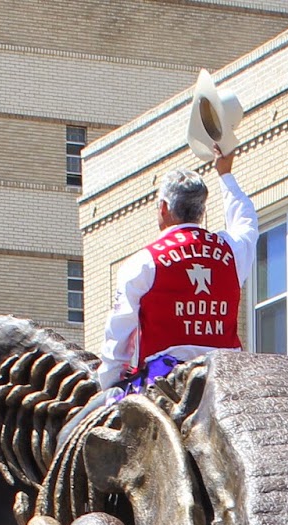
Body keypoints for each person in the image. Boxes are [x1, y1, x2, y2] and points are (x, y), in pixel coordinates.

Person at [96, 150, 258, 395]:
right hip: (229, 376)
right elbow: (246, 221)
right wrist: (225, 175)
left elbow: (119, 334)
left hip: (165, 382)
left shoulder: (143, 262)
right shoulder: (232, 250)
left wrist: (107, 384)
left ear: (163, 207)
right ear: (201, 211)